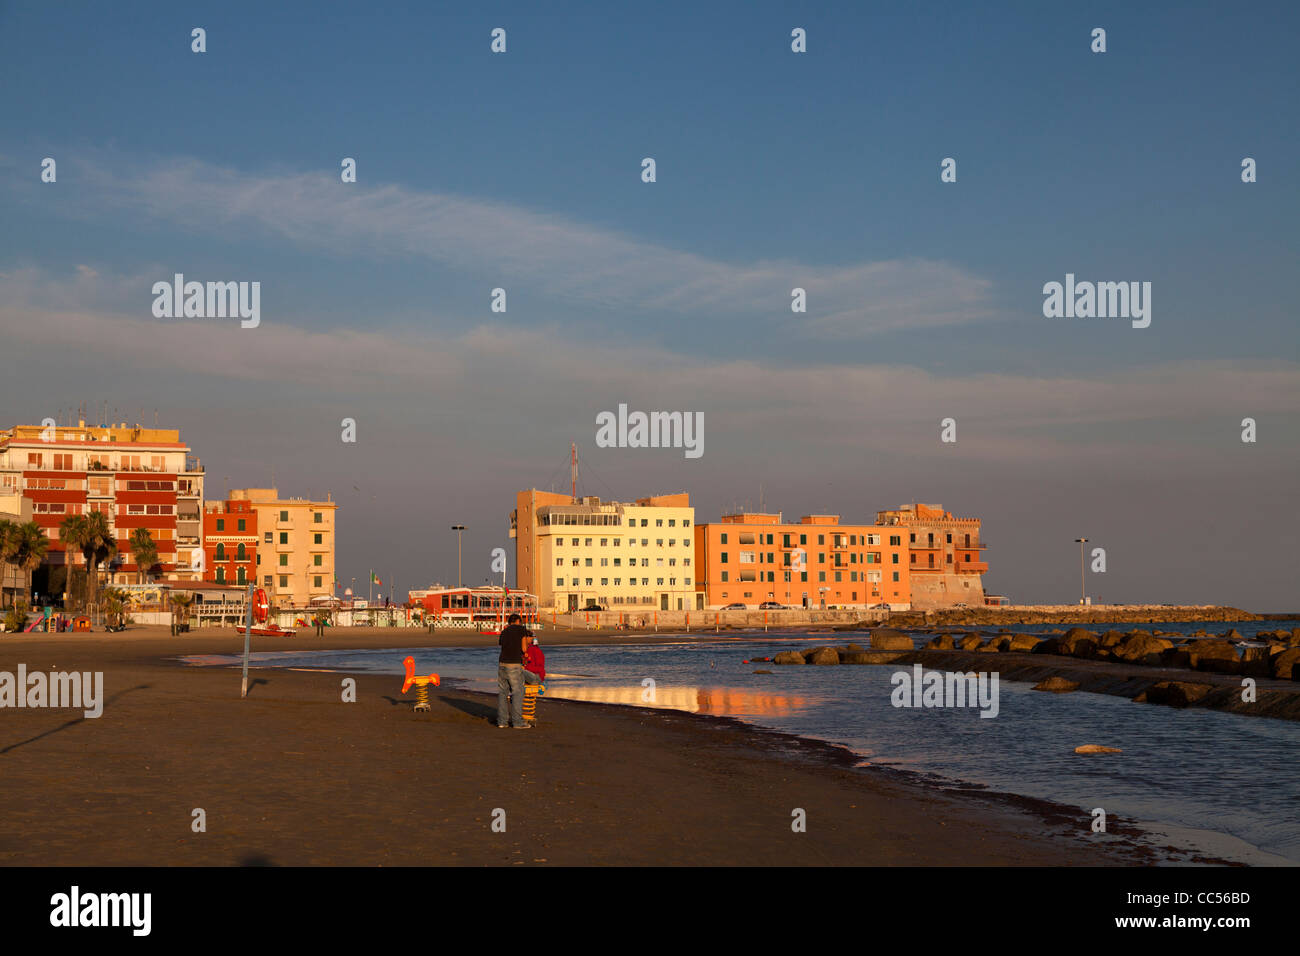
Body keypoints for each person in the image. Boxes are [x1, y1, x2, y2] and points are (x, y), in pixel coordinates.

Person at [497, 613, 532, 729]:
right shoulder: (521, 629)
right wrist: (527, 642)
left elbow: (503, 645)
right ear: (518, 621)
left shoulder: (504, 631)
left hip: (502, 663)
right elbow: (523, 648)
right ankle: (517, 722)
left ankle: (502, 721)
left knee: (503, 693)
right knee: (517, 692)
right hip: (514, 664)